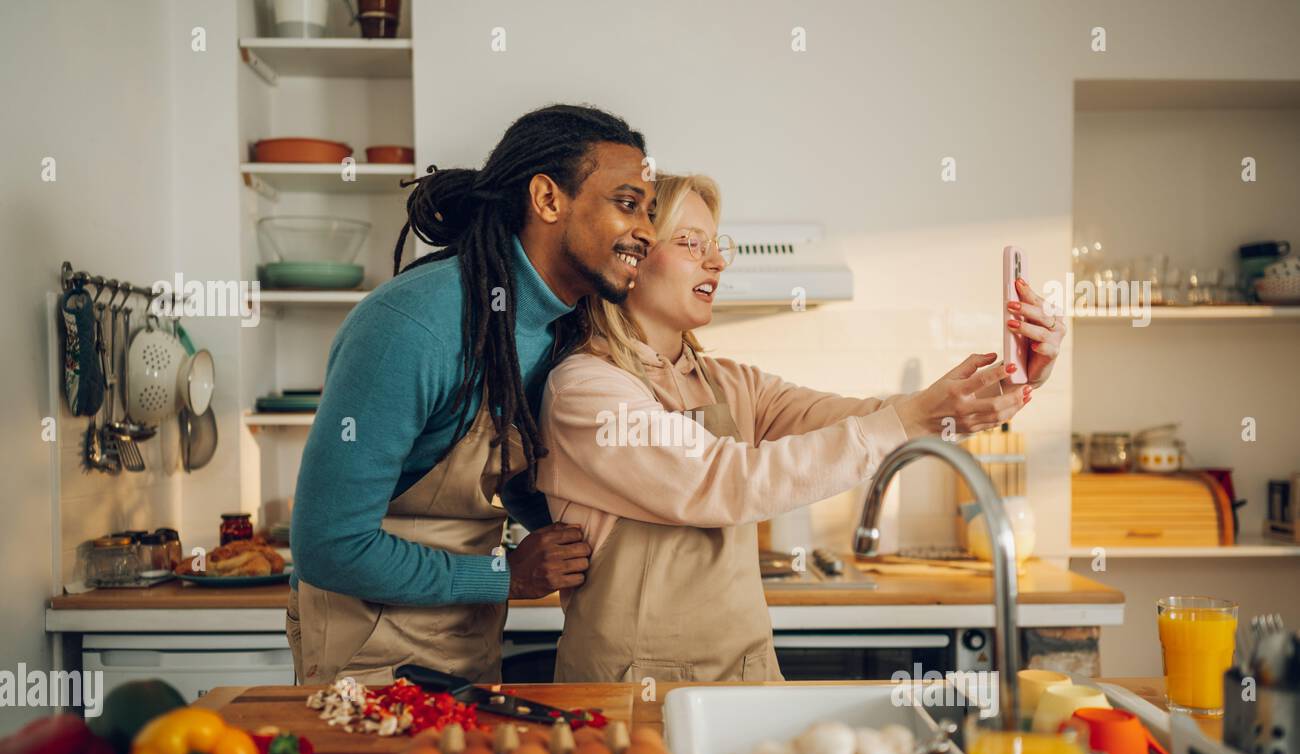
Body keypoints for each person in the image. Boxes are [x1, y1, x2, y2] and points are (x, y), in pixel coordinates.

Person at [536, 173, 1064, 683]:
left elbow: (860, 419)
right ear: (631, 255)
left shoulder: (732, 384)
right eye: (691, 243)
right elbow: (722, 481)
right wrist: (916, 416)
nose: (716, 262)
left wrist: (1004, 387)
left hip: (747, 684)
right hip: (630, 701)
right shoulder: (586, 390)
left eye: (718, 245)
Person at [287, 104, 660, 685]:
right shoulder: (412, 325)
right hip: (366, 657)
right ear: (547, 199)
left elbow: (511, 471)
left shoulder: (559, 326)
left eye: (651, 212)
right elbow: (328, 545)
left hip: (463, 642)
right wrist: (506, 575)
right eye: (628, 203)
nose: (648, 232)